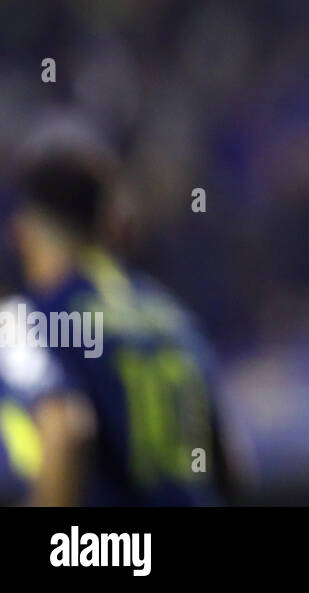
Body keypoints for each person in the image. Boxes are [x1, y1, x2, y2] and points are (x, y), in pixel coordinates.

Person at [2, 119, 236, 505]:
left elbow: (68, 430)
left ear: (22, 232)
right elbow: (228, 463)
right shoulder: (170, 315)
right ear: (111, 224)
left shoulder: (25, 321)